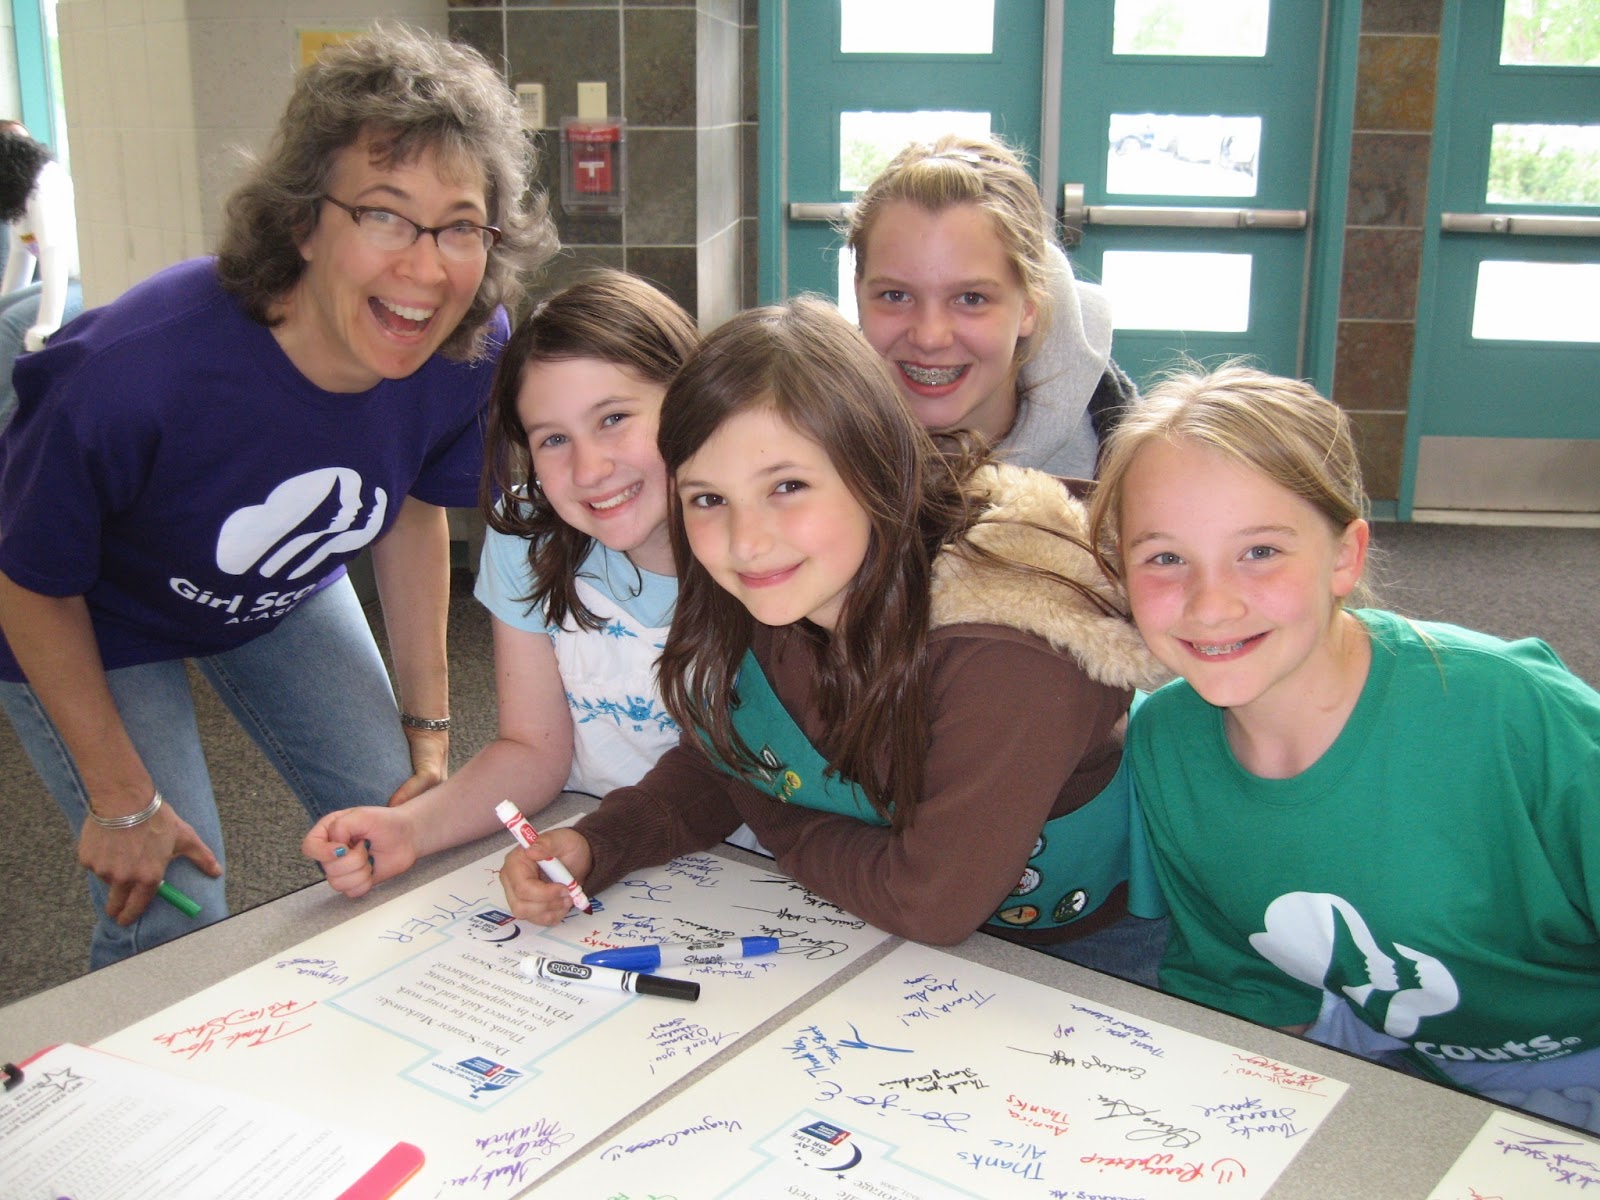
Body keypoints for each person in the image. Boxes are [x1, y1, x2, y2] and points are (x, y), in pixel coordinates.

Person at [0, 25, 557, 969]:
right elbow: (25, 579)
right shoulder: (133, 371)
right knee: (176, 893)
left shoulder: (467, 341)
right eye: (384, 214)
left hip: (282, 587)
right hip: (93, 613)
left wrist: (428, 734)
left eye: (460, 225)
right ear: (303, 221)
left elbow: (414, 509)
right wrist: (120, 796)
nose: (426, 270)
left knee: (405, 820)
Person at [498, 296, 1171, 984]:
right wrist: (597, 844)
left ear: (873, 468)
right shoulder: (775, 594)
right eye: (708, 499)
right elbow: (727, 755)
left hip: (1087, 957)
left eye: (788, 485)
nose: (747, 540)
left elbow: (929, 901)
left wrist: (770, 806)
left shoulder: (1008, 655)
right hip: (886, 936)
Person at [1085, 363, 1600, 1131]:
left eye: (1260, 551)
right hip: (1386, 1049)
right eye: (1164, 557)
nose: (1211, 602)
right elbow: (1246, 985)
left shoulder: (1511, 714)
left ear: (1345, 557)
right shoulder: (1167, 739)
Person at [301, 270, 699, 898]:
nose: (589, 468)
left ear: (690, 402)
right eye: (554, 439)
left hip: (757, 862)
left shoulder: (755, 554)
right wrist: (413, 829)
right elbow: (532, 748)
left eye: (615, 418)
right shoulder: (527, 539)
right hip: (592, 850)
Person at [848, 133, 1138, 479]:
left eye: (971, 299)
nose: (929, 336)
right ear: (858, 294)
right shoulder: (802, 444)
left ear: (1030, 306)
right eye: (896, 296)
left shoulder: (1127, 474)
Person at [0, 121, 82, 431]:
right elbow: (21, 256)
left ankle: (6, 430)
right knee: (5, 314)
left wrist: (47, 323)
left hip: (78, 276)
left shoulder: (44, 185)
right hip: (59, 279)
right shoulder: (17, 195)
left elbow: (54, 254)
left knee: (12, 325)